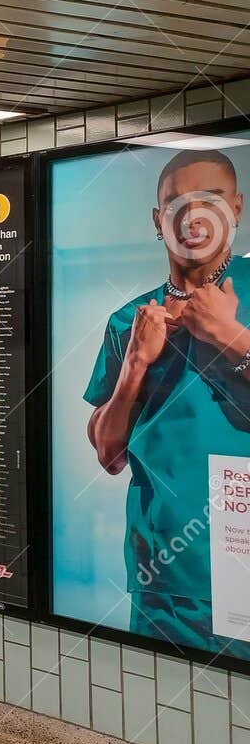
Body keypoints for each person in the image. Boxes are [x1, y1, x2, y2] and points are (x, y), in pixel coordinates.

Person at [85, 148, 250, 656]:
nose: (192, 215)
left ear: (236, 209)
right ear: (159, 220)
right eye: (175, 203)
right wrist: (136, 364)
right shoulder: (129, 320)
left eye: (211, 199)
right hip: (165, 581)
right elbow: (109, 455)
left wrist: (232, 339)